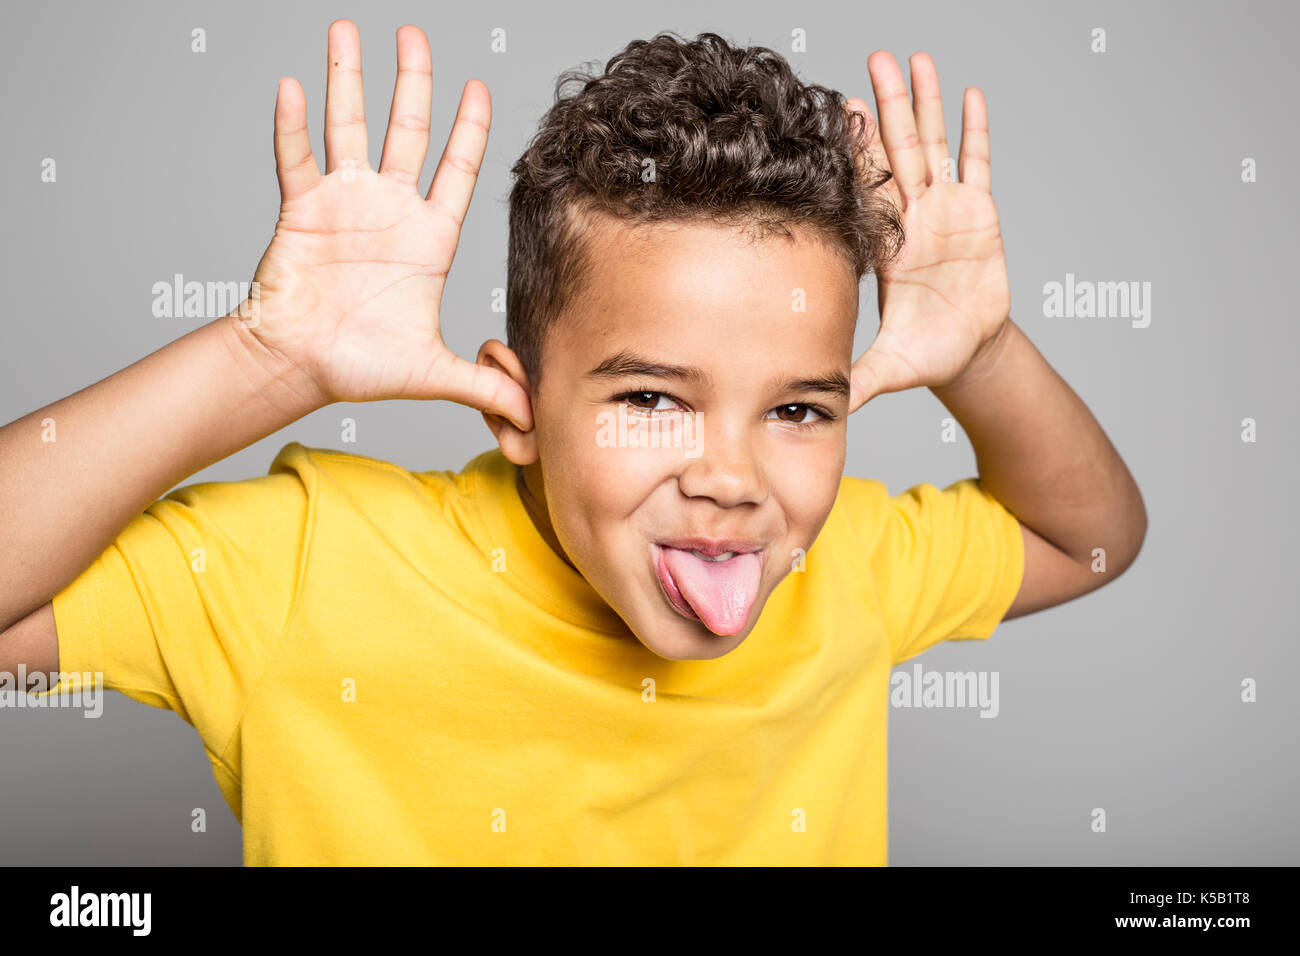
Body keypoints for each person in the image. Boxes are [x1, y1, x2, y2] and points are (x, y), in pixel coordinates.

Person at [0, 21, 1146, 864]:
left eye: (798, 408)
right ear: (518, 408)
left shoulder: (848, 562)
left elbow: (1087, 536)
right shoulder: (310, 569)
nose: (732, 479)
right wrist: (265, 359)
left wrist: (980, 350)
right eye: (650, 398)